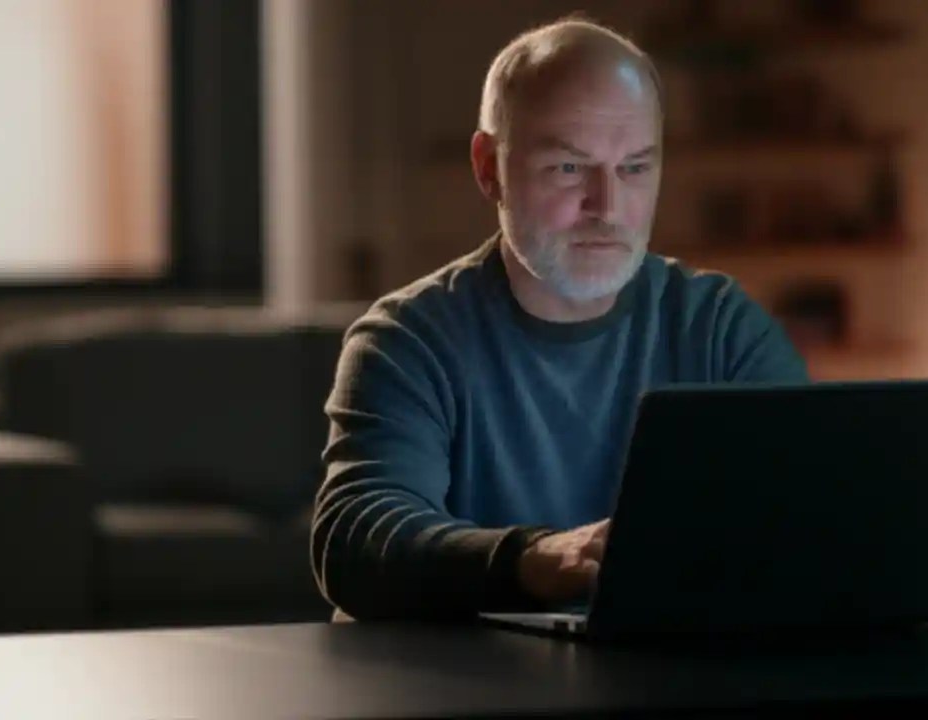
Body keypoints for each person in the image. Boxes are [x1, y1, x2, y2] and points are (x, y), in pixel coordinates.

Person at [311, 17, 810, 621]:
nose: (606, 207)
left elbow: (801, 518)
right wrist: (532, 560)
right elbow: (356, 539)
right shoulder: (406, 341)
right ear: (488, 167)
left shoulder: (721, 327)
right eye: (568, 168)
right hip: (458, 687)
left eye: (634, 168)